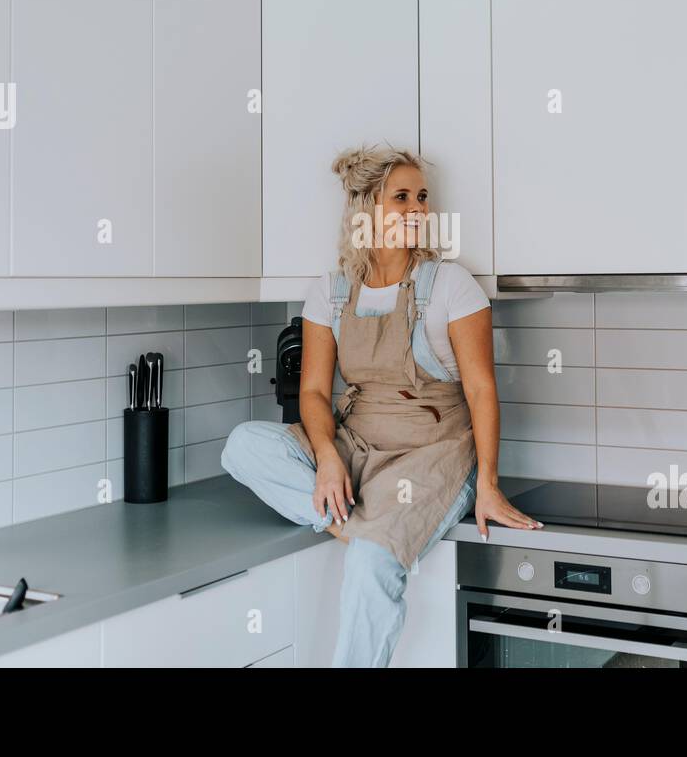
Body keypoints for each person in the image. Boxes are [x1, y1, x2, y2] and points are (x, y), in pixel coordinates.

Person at [221, 143, 541, 666]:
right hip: (356, 441)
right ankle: (369, 523)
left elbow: (482, 389)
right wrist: (326, 458)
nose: (419, 209)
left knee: (371, 561)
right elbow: (314, 394)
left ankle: (372, 536)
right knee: (244, 446)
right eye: (402, 198)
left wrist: (488, 483)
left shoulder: (450, 286)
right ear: (367, 211)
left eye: (422, 197)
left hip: (431, 450)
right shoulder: (330, 290)